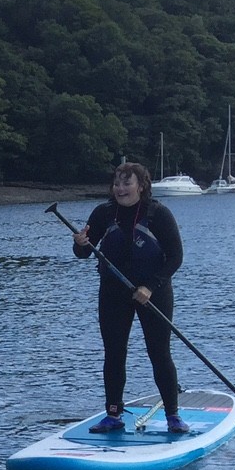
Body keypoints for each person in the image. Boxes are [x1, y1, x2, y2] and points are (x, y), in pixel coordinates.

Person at [70, 162, 186, 433]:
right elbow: (84, 253)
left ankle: (173, 415)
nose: (120, 189)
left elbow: (176, 258)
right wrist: (79, 243)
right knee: (114, 353)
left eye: (127, 183)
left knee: (159, 353)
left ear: (141, 186)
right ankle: (113, 414)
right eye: (117, 184)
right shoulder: (103, 213)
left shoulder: (158, 214)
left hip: (153, 293)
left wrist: (150, 286)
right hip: (113, 292)